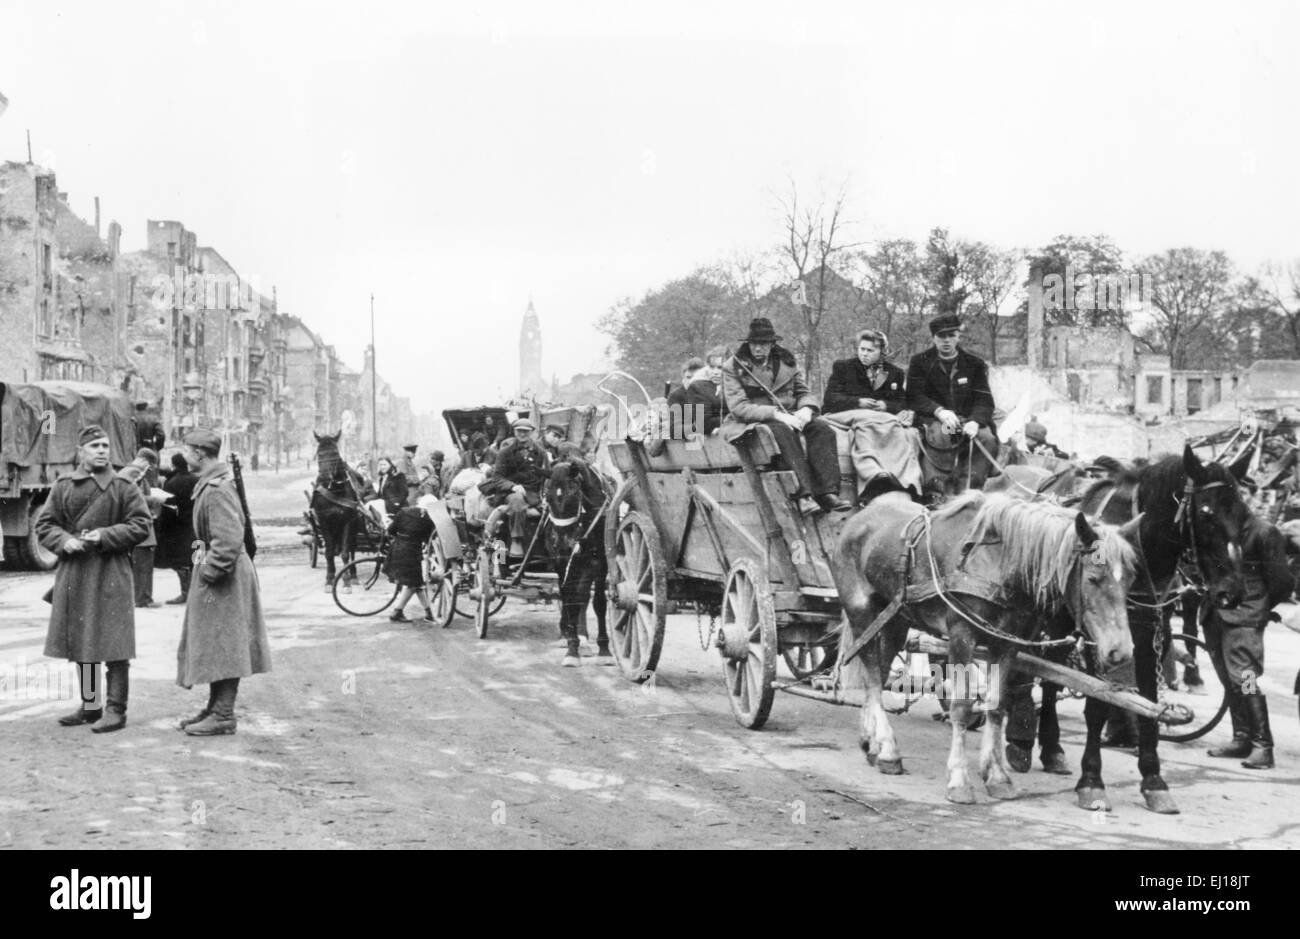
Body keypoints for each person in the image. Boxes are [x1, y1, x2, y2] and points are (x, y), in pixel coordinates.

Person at [37, 424, 153, 733]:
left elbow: (141, 525)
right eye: (94, 446)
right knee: (82, 642)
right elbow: (45, 525)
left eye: (105, 446)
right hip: (75, 572)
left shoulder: (123, 487)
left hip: (111, 571)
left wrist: (104, 535)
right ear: (81, 452)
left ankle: (116, 710)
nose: (101, 450)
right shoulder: (63, 486)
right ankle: (90, 706)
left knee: (114, 644)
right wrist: (64, 541)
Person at [176, 428, 272, 736]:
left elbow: (229, 540)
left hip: (225, 577)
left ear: (199, 453)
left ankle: (223, 714)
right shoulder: (211, 484)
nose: (183, 455)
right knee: (218, 643)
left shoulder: (216, 488)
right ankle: (214, 707)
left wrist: (208, 573)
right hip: (221, 574)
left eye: (187, 450)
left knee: (227, 645)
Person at [721, 317, 852, 514]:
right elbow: (739, 407)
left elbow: (804, 392)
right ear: (748, 343)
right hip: (755, 420)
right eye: (754, 344)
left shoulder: (787, 362)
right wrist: (777, 415)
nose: (758, 349)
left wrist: (806, 409)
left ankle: (828, 492)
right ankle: (804, 495)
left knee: (822, 428)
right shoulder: (734, 366)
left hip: (790, 413)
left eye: (763, 344)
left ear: (772, 344)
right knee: (781, 432)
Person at [1203, 512, 1295, 769]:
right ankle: (1242, 737)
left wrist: (1259, 608)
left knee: (1246, 679)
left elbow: (1283, 581)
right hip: (1214, 613)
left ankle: (1262, 745)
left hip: (1245, 619)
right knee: (1229, 679)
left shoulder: (1263, 531)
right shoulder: (1216, 529)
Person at [823, 329, 922, 503]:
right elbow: (830, 398)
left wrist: (887, 405)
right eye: (862, 349)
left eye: (870, 350)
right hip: (843, 413)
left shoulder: (895, 373)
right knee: (868, 421)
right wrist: (857, 402)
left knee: (898, 425)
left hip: (880, 417)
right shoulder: (843, 367)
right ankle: (872, 474)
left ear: (882, 352)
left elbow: (902, 402)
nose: (864, 354)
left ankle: (906, 480)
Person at [906, 313, 999, 497]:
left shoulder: (975, 364)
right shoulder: (920, 362)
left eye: (951, 335)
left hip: (967, 419)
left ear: (958, 336)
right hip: (936, 420)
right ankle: (936, 490)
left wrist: (975, 421)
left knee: (986, 438)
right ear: (934, 338)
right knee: (944, 433)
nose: (946, 341)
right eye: (941, 336)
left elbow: (984, 400)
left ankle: (971, 491)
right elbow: (914, 396)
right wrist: (938, 411)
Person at [485, 418, 551, 556]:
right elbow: (498, 478)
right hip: (510, 493)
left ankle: (550, 544)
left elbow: (547, 477)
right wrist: (513, 486)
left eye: (526, 431)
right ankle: (517, 540)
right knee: (517, 500)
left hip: (534, 493)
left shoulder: (541, 452)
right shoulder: (505, 452)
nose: (522, 434)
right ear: (514, 431)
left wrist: (546, 495)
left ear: (532, 432)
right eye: (519, 431)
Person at [386, 495, 439, 623]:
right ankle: (397, 612)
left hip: (397, 549)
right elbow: (428, 540)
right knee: (413, 584)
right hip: (412, 551)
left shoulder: (403, 511)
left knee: (415, 584)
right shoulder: (428, 520)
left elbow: (391, 530)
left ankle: (428, 613)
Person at [158, 452, 198, 604]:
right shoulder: (196, 479)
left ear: (174, 465)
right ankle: (198, 592)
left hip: (178, 527)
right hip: (195, 525)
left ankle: (186, 592)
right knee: (198, 559)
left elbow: (168, 506)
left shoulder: (172, 483)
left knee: (180, 560)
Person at [667, 357, 723, 439]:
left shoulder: (712, 392)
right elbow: (674, 430)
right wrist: (701, 428)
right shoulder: (677, 396)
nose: (691, 381)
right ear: (683, 379)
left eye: (696, 376)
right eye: (688, 377)